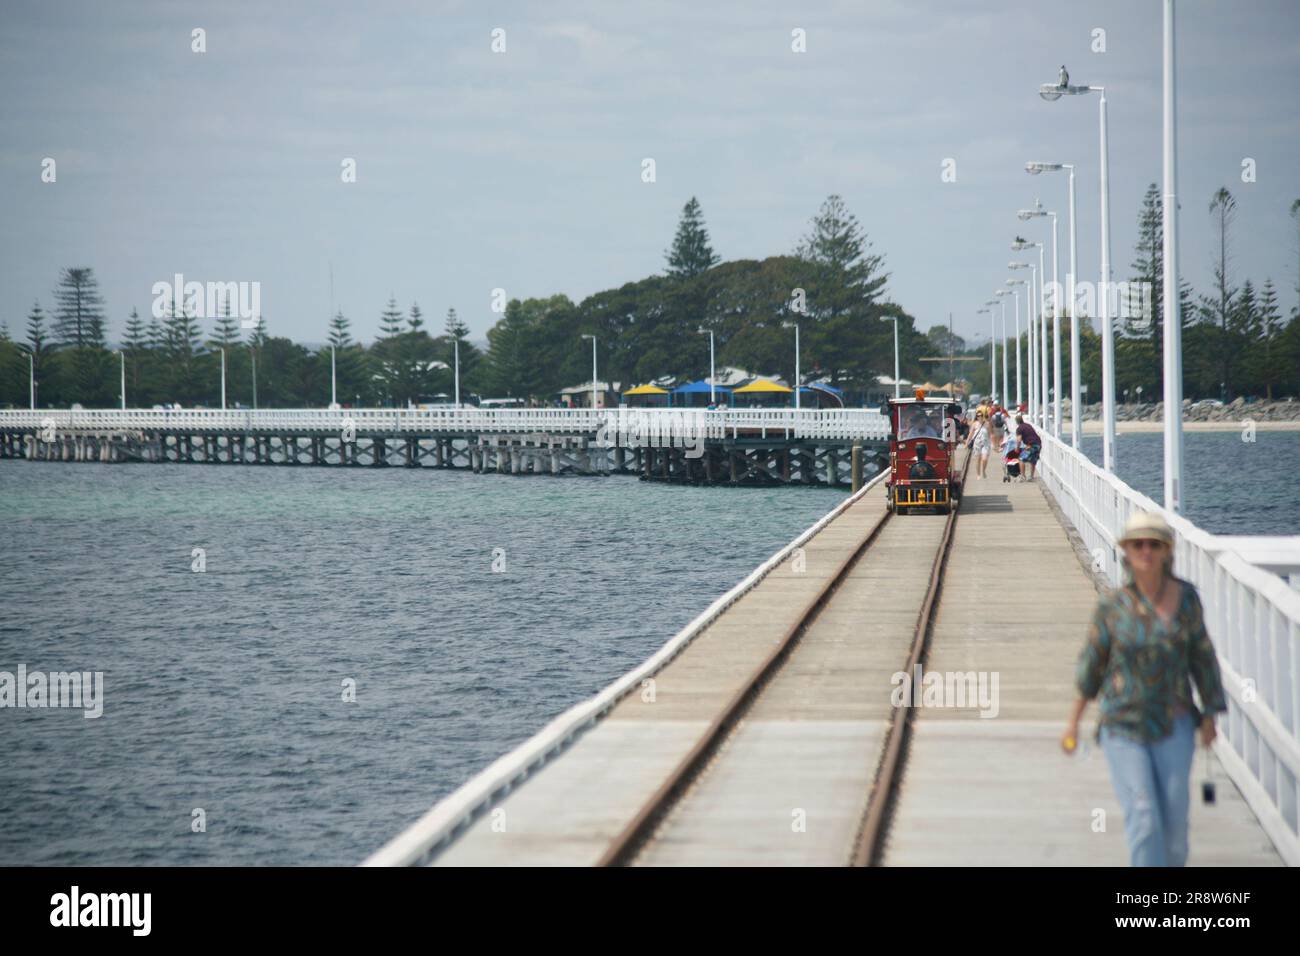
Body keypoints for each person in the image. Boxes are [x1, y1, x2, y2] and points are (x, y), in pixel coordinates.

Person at [1064, 512, 1227, 868]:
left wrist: (1212, 714)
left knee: (1173, 828)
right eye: (1138, 544)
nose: (1146, 552)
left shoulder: (1186, 600)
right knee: (1144, 818)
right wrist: (1073, 724)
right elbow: (1092, 665)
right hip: (1122, 726)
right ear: (1126, 551)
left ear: (1167, 551)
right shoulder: (1113, 607)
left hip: (1176, 723)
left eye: (1154, 544)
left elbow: (1202, 656)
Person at [1014, 414, 1041, 480]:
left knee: (1021, 458)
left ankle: (1023, 476)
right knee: (1033, 460)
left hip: (1032, 445)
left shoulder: (1019, 428)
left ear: (1016, 422)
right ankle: (1031, 476)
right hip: (1038, 444)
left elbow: (1019, 440)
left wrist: (1017, 448)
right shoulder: (1028, 425)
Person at [965, 410, 990, 479]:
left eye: (981, 415)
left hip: (985, 443)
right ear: (977, 417)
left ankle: (983, 471)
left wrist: (993, 444)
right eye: (978, 416)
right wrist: (967, 443)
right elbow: (970, 434)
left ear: (983, 416)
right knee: (978, 460)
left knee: (984, 459)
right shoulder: (974, 424)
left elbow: (990, 434)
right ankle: (978, 474)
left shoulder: (987, 424)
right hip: (977, 444)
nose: (980, 417)